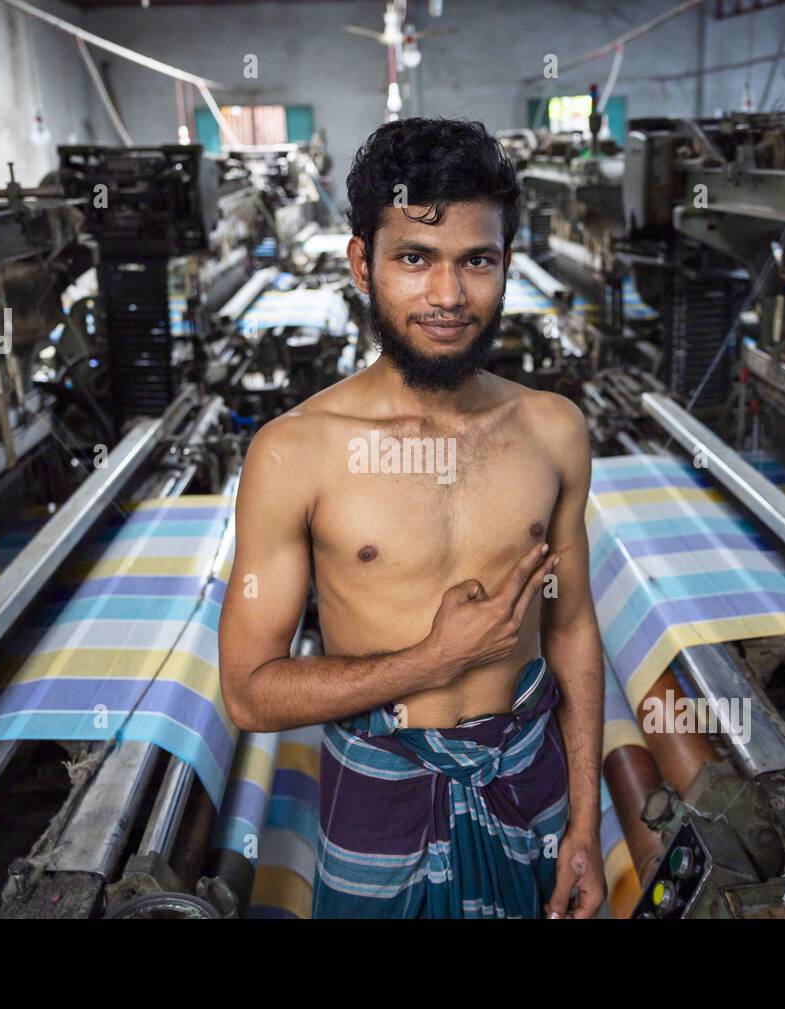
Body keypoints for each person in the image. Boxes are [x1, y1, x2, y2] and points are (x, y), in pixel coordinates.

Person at [218, 117, 606, 918]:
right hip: (379, 795)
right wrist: (429, 661)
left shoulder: (553, 431)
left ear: (506, 265)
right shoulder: (294, 454)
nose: (448, 296)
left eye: (477, 261)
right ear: (363, 262)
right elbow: (251, 692)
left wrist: (586, 822)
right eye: (414, 259)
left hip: (527, 784)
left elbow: (570, 629)